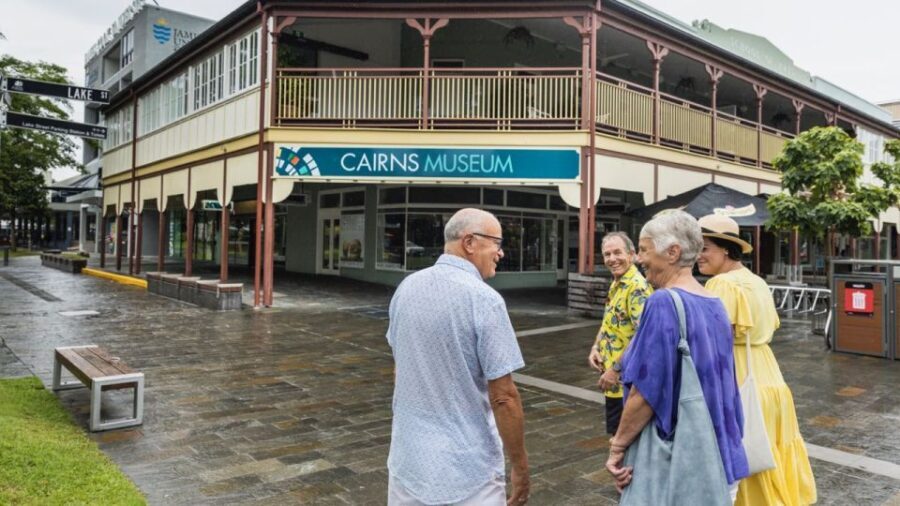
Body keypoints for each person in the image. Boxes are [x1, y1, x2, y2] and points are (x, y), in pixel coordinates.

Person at [386, 208, 529, 506]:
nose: (501, 253)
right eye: (497, 243)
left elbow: (401, 366)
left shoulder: (405, 288)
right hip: (467, 473)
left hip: (407, 463)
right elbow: (504, 397)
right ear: (470, 242)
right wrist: (520, 467)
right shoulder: (485, 299)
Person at [605, 210, 749, 502]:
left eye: (644, 250)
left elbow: (646, 392)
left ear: (672, 252)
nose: (639, 259)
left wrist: (618, 445)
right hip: (719, 453)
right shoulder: (714, 302)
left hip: (679, 460)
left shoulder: (662, 302)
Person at [697, 214, 817, 506]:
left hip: (738, 375)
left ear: (725, 248)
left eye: (704, 248)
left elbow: (714, 339)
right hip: (769, 376)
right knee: (770, 449)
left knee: (744, 453)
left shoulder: (722, 284)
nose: (698, 256)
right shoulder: (757, 282)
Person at [588, 232, 652, 435]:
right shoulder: (618, 282)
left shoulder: (636, 288)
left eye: (617, 252)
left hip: (627, 382)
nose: (612, 259)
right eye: (607, 254)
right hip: (613, 382)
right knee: (616, 438)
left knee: (624, 442)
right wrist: (595, 347)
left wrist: (615, 370)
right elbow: (610, 322)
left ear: (632, 254)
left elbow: (644, 336)